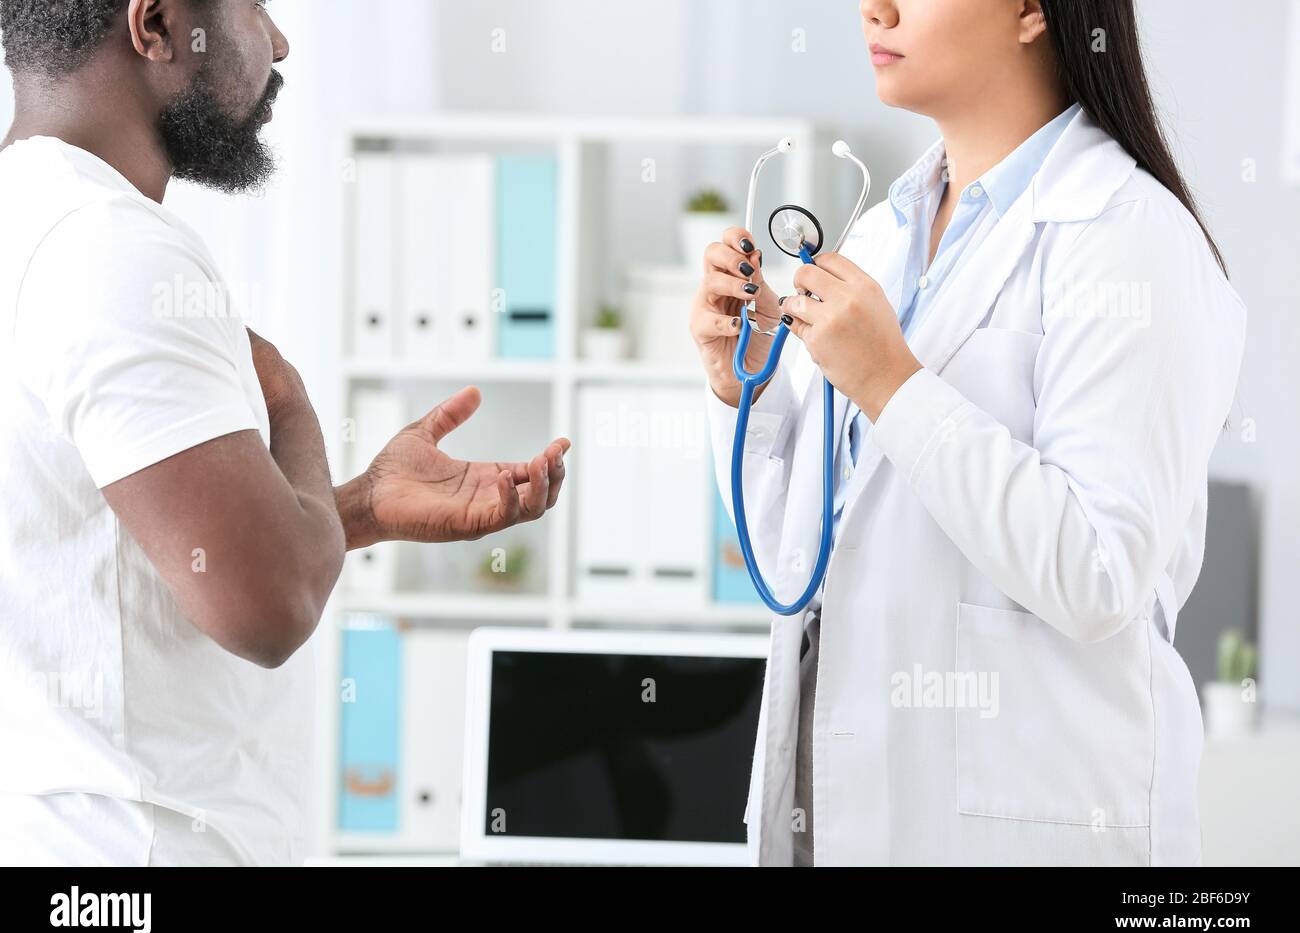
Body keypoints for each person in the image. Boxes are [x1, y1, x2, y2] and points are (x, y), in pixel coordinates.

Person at [0, 0, 569, 865]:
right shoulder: (112, 250)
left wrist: (361, 509)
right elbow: (269, 609)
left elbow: (124, 555)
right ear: (154, 26)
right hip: (137, 846)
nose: (278, 40)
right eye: (254, 5)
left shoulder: (29, 219)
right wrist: (294, 404)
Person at [692, 0, 1246, 865]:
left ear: (1032, 10)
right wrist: (750, 389)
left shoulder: (1129, 239)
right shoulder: (882, 235)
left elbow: (1097, 571)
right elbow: (793, 564)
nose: (873, 9)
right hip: (846, 819)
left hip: (1029, 828)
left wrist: (889, 382)